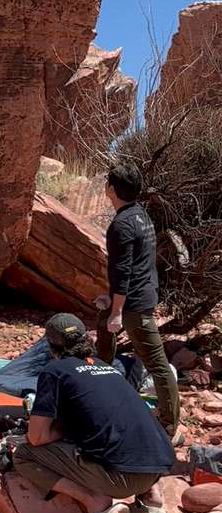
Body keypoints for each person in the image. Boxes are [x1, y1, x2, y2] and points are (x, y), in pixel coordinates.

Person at [12, 313, 175, 513]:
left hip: (120, 480)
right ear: (86, 340)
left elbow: (37, 437)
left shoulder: (55, 371)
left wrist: (64, 429)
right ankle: (151, 499)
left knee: (23, 455)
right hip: (157, 467)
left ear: (50, 346)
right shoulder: (108, 369)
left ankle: (94, 501)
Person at [95, 161, 181, 443]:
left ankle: (168, 425)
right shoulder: (141, 215)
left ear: (110, 189)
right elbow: (135, 263)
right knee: (103, 331)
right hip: (142, 294)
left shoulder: (120, 225)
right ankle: (100, 387)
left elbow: (124, 271)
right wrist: (111, 301)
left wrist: (117, 310)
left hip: (134, 304)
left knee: (156, 363)